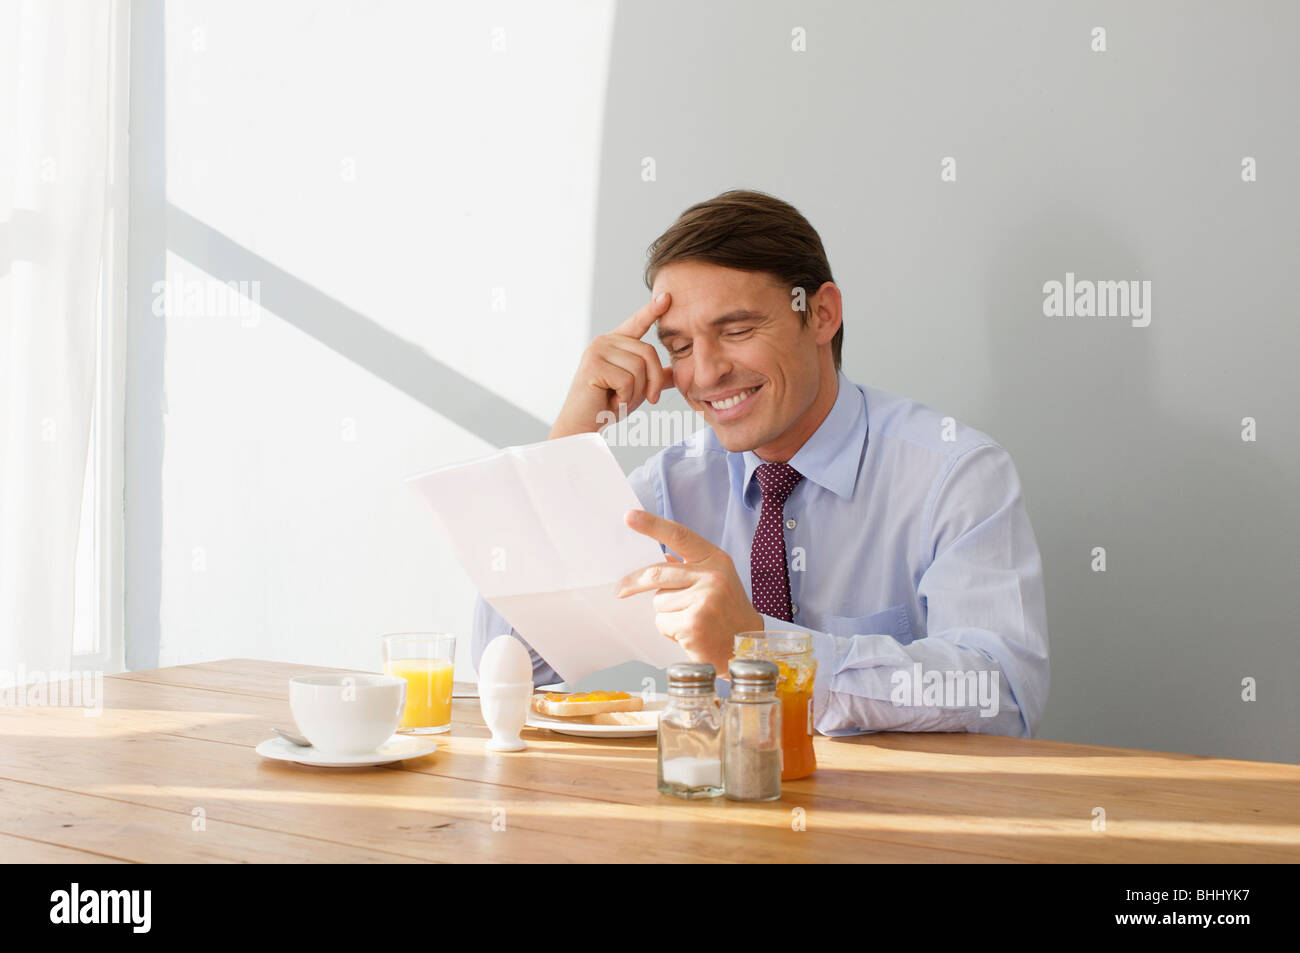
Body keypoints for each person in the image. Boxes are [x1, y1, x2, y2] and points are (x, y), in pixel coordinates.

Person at [471, 190, 1048, 737]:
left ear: (821, 314)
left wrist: (758, 645)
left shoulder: (956, 476)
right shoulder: (671, 490)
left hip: (898, 827)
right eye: (680, 348)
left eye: (738, 331)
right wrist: (566, 450)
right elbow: (512, 668)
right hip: (719, 821)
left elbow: (1002, 693)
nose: (706, 373)